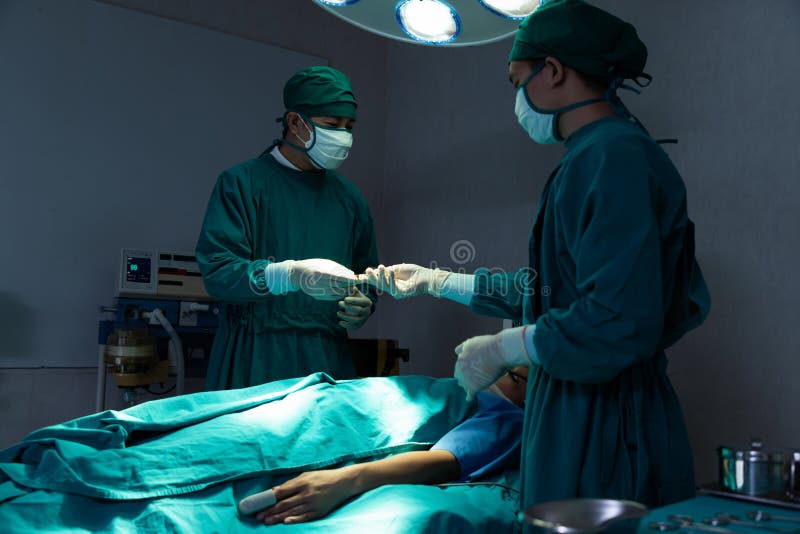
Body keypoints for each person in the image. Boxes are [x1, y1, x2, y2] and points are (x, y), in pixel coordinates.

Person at [362, 0, 711, 516]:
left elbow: (618, 319)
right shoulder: (591, 158)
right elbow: (554, 288)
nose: (517, 98)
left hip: (605, 424)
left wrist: (509, 345)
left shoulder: (615, 158)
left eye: (515, 80)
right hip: (574, 411)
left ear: (552, 70)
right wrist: (438, 280)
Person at [196, 66, 379, 389]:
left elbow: (366, 277)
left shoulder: (349, 200)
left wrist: (362, 302)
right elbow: (219, 273)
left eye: (349, 126)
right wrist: (287, 274)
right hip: (255, 355)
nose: (344, 136)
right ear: (295, 123)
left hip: (327, 358)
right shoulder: (243, 184)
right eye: (332, 125)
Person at [255, 366, 527, 526]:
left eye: (512, 374)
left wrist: (345, 480)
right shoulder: (471, 390)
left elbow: (445, 461)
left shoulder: (509, 418)